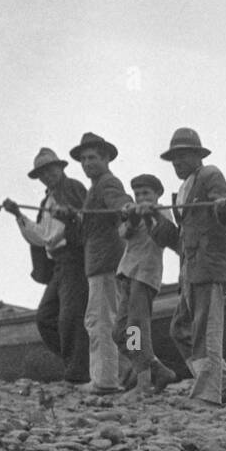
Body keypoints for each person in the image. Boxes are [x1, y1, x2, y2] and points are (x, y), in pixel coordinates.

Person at [152, 128, 226, 407]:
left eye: (183, 156)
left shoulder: (210, 175)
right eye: (174, 158)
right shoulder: (183, 189)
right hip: (189, 270)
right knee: (180, 329)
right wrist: (153, 220)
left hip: (208, 267)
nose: (177, 162)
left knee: (205, 332)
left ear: (198, 156)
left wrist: (222, 207)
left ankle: (207, 394)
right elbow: (179, 238)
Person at [52, 132, 132, 395]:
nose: (87, 163)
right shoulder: (94, 188)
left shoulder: (107, 182)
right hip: (102, 263)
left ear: (106, 158)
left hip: (104, 263)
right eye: (83, 159)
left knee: (100, 321)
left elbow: (119, 202)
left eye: (93, 158)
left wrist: (128, 209)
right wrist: (72, 218)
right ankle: (114, 376)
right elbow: (91, 226)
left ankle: (104, 380)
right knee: (110, 320)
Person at [2, 148, 90, 384]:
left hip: (75, 259)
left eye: (50, 170)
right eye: (41, 173)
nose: (46, 176)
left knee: (71, 317)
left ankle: (78, 371)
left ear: (61, 168)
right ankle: (78, 363)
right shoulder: (46, 201)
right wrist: (17, 214)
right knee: (45, 318)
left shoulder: (73, 188)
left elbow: (89, 220)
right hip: (58, 265)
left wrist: (70, 216)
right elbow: (42, 236)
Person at [115, 173, 180, 398]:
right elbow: (124, 234)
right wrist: (132, 218)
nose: (142, 198)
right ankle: (157, 368)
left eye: (146, 194)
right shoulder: (132, 213)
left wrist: (150, 215)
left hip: (145, 276)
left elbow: (166, 235)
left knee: (135, 328)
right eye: (138, 194)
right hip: (127, 274)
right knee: (119, 332)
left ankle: (143, 382)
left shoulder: (163, 211)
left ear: (157, 195)